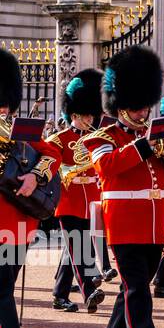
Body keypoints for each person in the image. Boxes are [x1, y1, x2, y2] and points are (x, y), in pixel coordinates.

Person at [89, 46, 164, 328]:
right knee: (138, 290)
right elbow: (109, 169)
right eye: (138, 107)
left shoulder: (150, 136)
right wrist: (144, 146)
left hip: (153, 223)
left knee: (132, 289)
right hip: (124, 223)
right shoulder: (103, 137)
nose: (143, 112)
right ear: (121, 104)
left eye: (145, 106)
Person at [0, 49, 60, 328]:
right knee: (1, 284)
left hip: (20, 222)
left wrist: (35, 177)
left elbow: (53, 154)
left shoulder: (21, 129)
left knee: (6, 281)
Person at [48, 69, 107, 315]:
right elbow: (54, 167)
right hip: (70, 200)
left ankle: (60, 295)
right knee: (79, 246)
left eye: (92, 114)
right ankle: (88, 290)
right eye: (85, 115)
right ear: (74, 115)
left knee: (74, 247)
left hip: (91, 199)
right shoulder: (59, 140)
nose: (90, 119)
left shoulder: (97, 138)